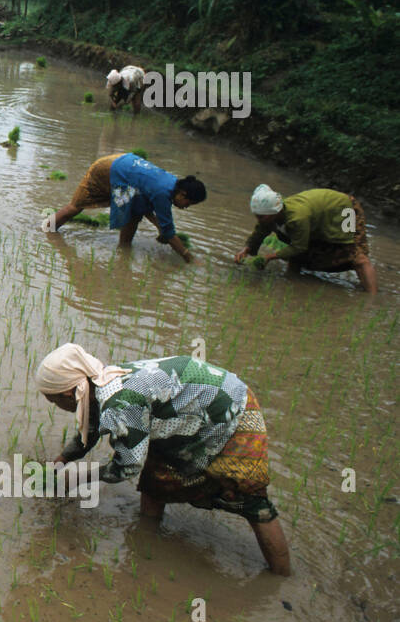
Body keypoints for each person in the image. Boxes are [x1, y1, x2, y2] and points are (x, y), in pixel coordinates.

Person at [35, 343, 290, 576]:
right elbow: (91, 428)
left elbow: (127, 467)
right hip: (186, 417)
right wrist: (61, 461)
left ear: (69, 393)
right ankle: (145, 544)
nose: (56, 405)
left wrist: (81, 477)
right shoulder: (100, 381)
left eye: (53, 400)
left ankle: (281, 579)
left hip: (230, 413)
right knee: (156, 483)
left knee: (250, 498)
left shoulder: (121, 400)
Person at [234, 184, 377, 293]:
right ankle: (293, 286)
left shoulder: (297, 218)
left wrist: (269, 257)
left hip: (345, 208)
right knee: (298, 257)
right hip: (321, 215)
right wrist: (246, 249)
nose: (258, 219)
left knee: (356, 255)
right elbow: (260, 232)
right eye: (256, 215)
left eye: (261, 216)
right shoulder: (271, 216)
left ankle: (372, 298)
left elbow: (299, 246)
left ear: (275, 212)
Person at [108, 153, 204, 262]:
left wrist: (160, 228)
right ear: (182, 193)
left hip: (131, 161)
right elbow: (169, 233)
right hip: (122, 170)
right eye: (188, 203)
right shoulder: (163, 194)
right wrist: (189, 257)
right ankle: (123, 253)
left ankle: (124, 251)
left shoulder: (173, 184)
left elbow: (148, 206)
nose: (186, 207)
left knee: (137, 210)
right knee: (129, 211)